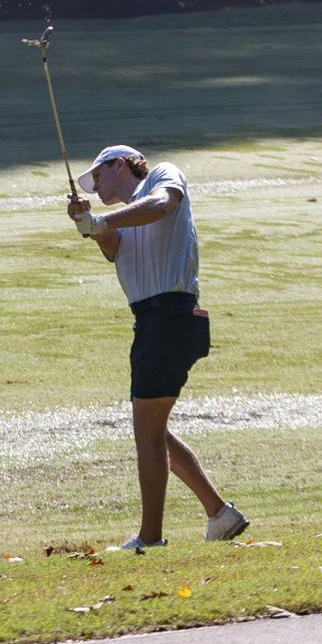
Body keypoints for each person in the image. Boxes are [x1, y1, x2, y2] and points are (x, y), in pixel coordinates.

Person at [67, 144, 247, 550]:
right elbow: (114, 248)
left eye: (98, 175)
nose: (94, 186)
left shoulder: (161, 177)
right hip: (151, 321)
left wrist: (99, 219)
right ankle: (220, 514)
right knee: (154, 429)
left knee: (146, 433)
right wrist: (89, 225)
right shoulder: (127, 213)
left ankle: (150, 539)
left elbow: (163, 205)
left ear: (121, 164)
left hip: (170, 316)